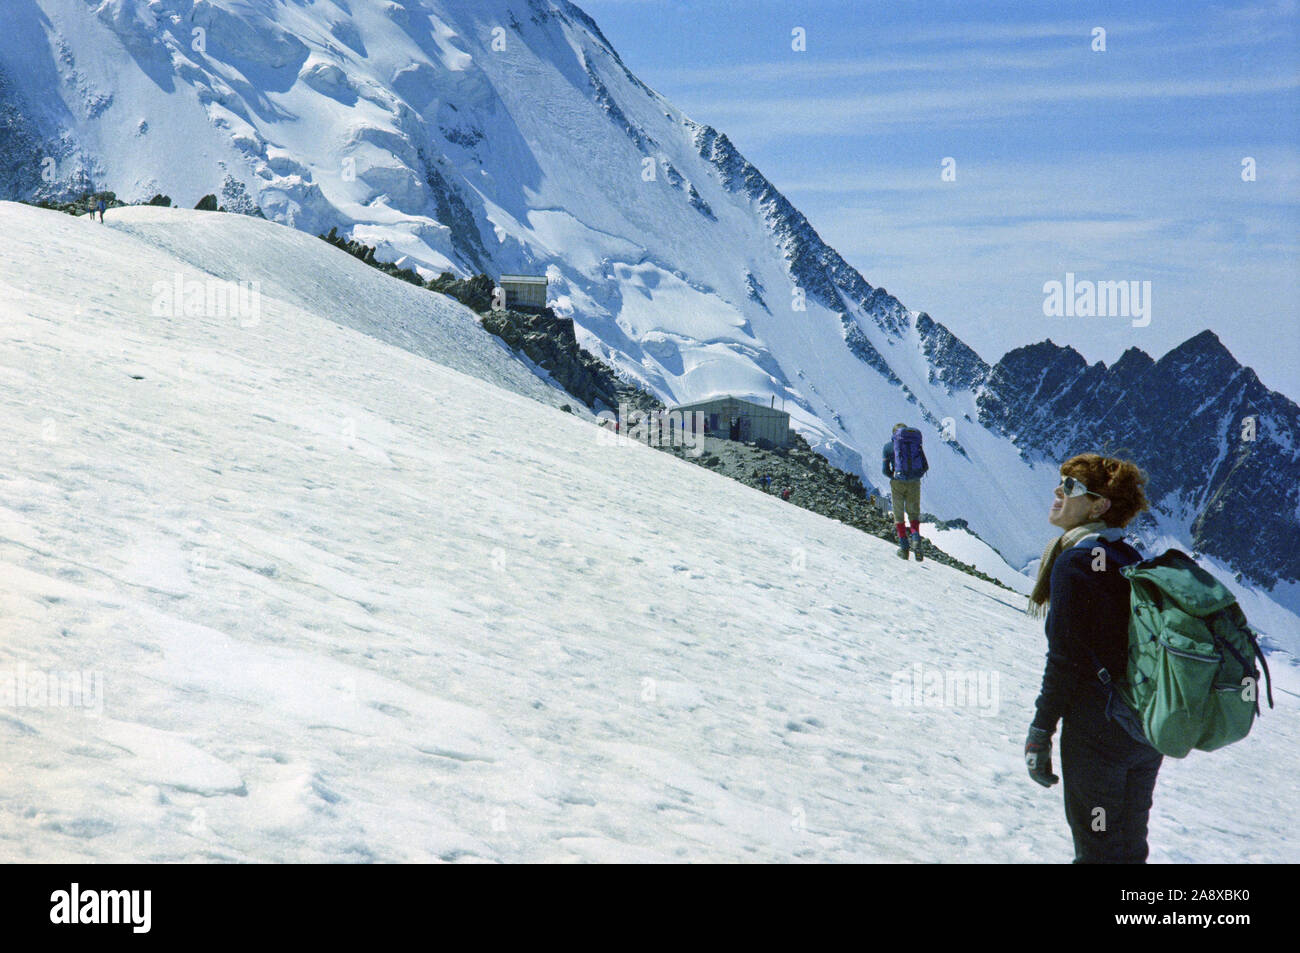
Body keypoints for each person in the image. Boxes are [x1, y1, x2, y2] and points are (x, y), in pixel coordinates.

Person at [1024, 453, 1160, 863]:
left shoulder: (1076, 562)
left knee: (1096, 850)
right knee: (1129, 848)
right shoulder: (1130, 559)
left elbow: (1064, 659)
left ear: (1099, 505)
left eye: (1070, 486)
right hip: (1144, 730)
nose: (1058, 491)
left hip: (1097, 732)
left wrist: (1040, 731)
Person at [882, 423, 928, 560]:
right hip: (914, 482)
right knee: (913, 514)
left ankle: (904, 548)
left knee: (898, 515)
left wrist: (894, 476)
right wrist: (915, 477)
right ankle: (916, 539)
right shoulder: (915, 444)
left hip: (897, 483)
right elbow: (925, 465)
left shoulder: (888, 447)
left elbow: (885, 470)